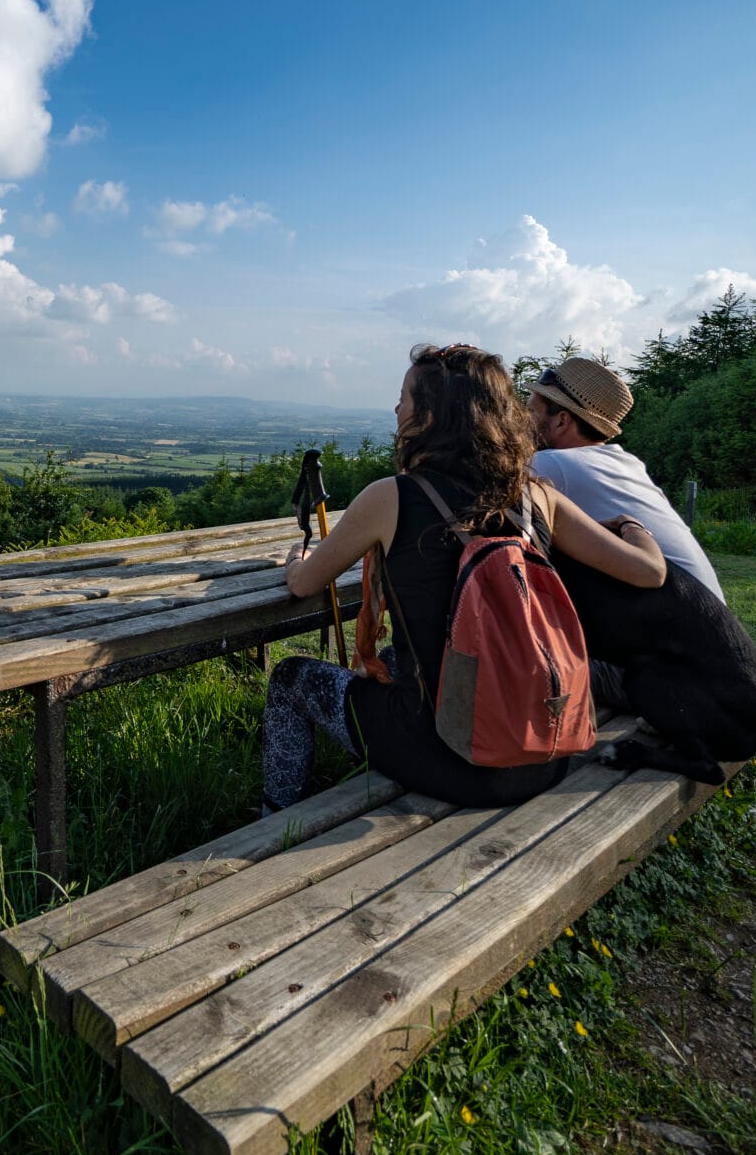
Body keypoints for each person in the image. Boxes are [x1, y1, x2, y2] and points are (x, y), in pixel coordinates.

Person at [263, 342, 666, 814]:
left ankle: (275, 817)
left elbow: (304, 584)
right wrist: (632, 524)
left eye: (405, 398)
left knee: (291, 677)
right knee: (396, 658)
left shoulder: (389, 497)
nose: (396, 408)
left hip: (451, 758)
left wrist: (295, 558)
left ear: (431, 417)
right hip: (546, 750)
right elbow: (651, 571)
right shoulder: (536, 495)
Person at [526, 357, 723, 602]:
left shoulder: (551, 463)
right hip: (707, 618)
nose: (524, 422)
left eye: (532, 412)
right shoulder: (626, 463)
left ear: (561, 420)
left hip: (672, 621)